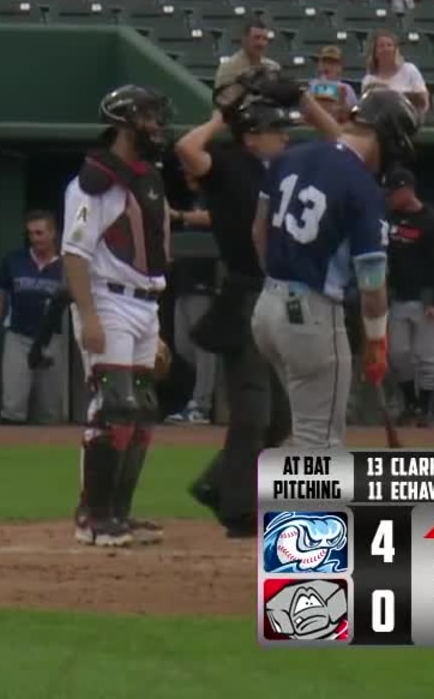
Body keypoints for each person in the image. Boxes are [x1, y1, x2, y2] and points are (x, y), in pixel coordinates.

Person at [178, 78, 337, 538]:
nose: (284, 136)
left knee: (281, 417)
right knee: (253, 409)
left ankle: (216, 484)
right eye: (274, 130)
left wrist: (303, 100)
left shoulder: (289, 169)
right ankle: (240, 511)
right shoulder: (231, 167)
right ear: (251, 136)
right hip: (245, 291)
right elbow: (187, 149)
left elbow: (340, 147)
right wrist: (222, 116)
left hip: (281, 293)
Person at [251, 88, 420, 449]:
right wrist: (376, 339)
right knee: (322, 439)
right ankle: (304, 508)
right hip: (312, 313)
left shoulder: (290, 157)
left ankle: (277, 504)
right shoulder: (363, 187)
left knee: (306, 428)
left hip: (267, 308)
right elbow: (372, 286)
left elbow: (258, 232)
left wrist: (279, 278)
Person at [61, 85, 174, 548]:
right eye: (147, 118)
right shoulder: (97, 181)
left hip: (145, 300)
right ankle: (93, 516)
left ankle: (119, 515)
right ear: (125, 123)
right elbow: (74, 253)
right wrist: (89, 316)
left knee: (142, 409)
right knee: (114, 406)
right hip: (107, 299)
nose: (156, 127)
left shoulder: (145, 176)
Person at [0, 211, 67, 425]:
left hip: (52, 339)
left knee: (51, 409)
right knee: (13, 406)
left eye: (40, 233)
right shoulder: (14, 260)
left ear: (53, 233)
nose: (35, 238)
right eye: (31, 233)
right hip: (18, 337)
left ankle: (48, 455)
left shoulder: (66, 266)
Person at [383, 167, 434, 426]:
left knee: (426, 356)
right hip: (400, 295)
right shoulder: (389, 217)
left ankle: (423, 407)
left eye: (394, 192)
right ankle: (410, 401)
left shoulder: (432, 220)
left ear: (407, 191)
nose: (390, 197)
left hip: (426, 296)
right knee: (398, 354)